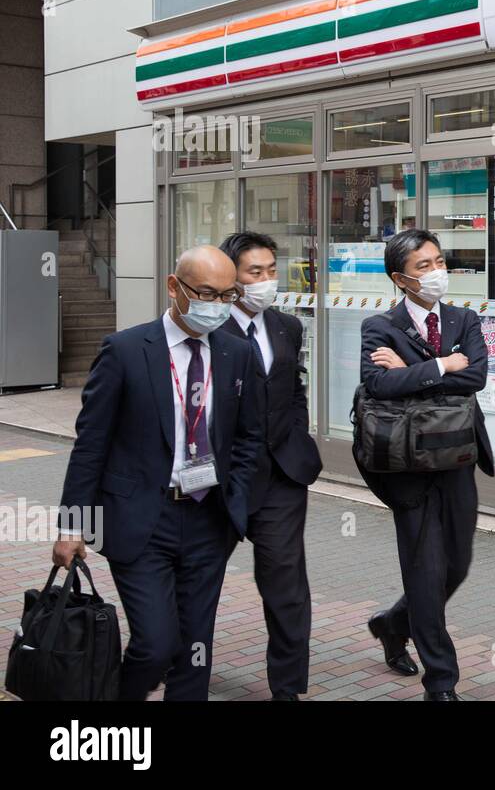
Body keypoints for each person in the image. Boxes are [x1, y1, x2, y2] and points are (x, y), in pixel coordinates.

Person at [52, 245, 264, 701]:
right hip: (141, 521)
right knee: (154, 644)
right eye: (207, 293)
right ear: (174, 287)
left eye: (228, 296)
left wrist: (238, 503)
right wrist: (73, 526)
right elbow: (91, 445)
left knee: (194, 650)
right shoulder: (125, 350)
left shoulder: (236, 352)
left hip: (210, 519)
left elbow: (249, 437)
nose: (217, 306)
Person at [356, 229, 494, 701]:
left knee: (457, 562)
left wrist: (416, 369)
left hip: (457, 458)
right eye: (423, 266)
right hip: (407, 467)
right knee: (425, 571)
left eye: (439, 261)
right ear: (401, 278)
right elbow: (378, 385)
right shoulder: (380, 326)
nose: (437, 272)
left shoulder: (464, 318)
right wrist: (443, 366)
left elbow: (475, 375)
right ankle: (441, 683)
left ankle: (393, 623)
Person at [218, 231, 323, 701]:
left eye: (270, 270)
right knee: (195, 581)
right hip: (217, 482)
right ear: (230, 278)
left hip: (281, 475)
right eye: (253, 272)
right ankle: (176, 661)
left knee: (286, 586)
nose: (265, 281)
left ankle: (287, 687)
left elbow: (293, 388)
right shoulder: (207, 328)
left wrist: (296, 435)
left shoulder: (286, 326)